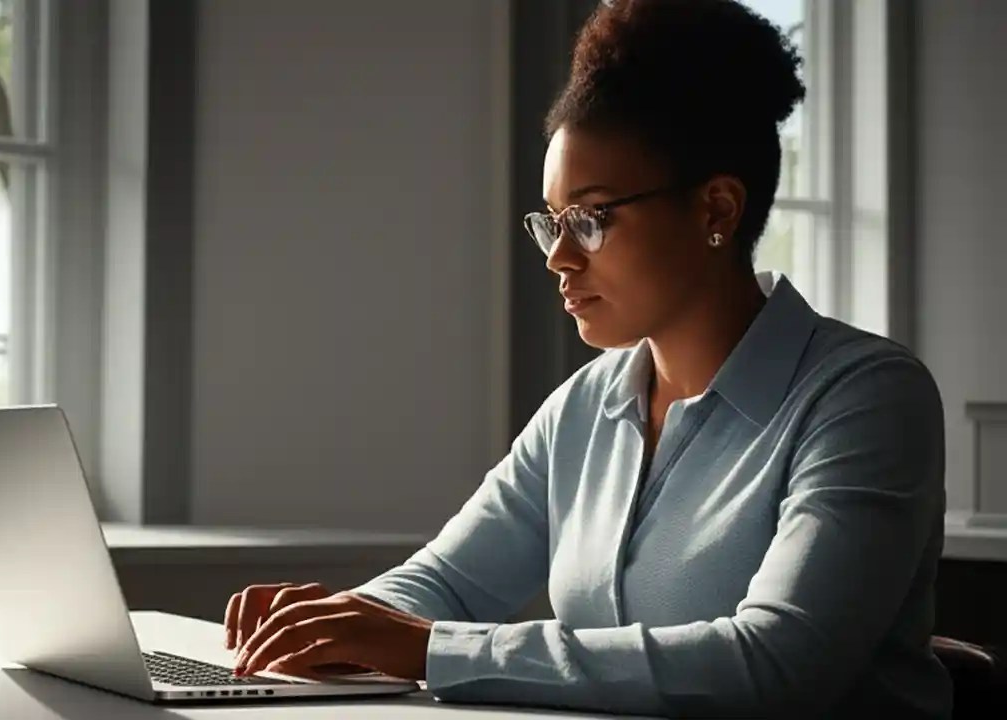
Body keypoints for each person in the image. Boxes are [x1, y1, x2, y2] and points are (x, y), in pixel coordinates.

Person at [223, 0, 951, 716]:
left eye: (592, 219)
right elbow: (444, 584)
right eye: (551, 221)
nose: (559, 257)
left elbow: (778, 661)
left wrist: (433, 650)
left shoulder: (866, 399)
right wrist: (334, 620)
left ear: (717, 211)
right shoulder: (584, 407)